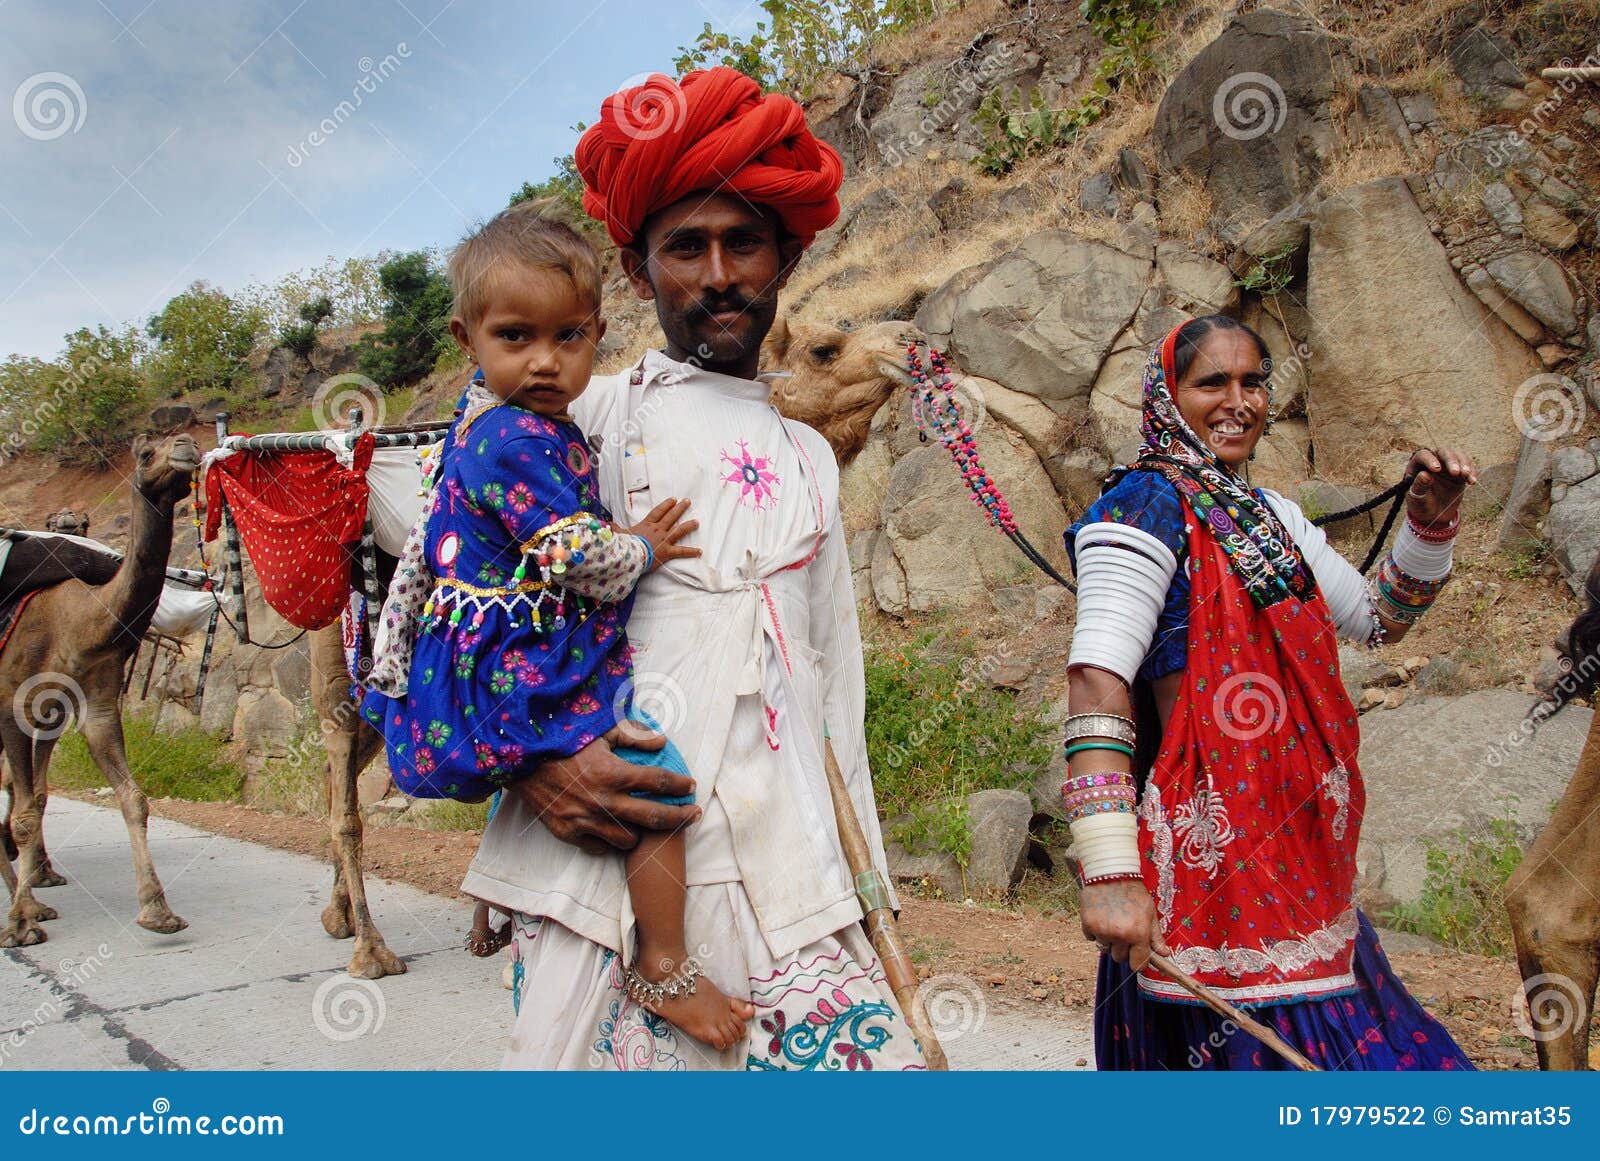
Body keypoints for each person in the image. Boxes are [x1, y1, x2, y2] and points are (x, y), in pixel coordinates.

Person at [460, 66, 924, 1070]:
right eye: (684, 247)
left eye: (743, 243)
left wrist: (866, 875)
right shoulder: (575, 416)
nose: (717, 274)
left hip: (791, 859)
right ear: (638, 273)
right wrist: (533, 770)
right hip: (610, 850)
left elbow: (830, 679)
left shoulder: (805, 455)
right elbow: (458, 611)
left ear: (784, 258)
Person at [361, 203, 751, 1048]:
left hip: (502, 656)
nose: (545, 360)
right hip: (521, 669)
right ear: (467, 339)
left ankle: (513, 904)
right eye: (516, 337)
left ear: (598, 332)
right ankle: (665, 962)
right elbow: (579, 556)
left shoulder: (498, 421)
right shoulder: (515, 440)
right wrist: (643, 547)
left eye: (569, 337)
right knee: (658, 786)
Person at [1065, 314, 1477, 1070]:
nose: (1238, 400)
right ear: (1166, 395)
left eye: (1253, 381)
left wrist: (1428, 521)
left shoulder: (1270, 517)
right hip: (1214, 867)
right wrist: (1111, 871)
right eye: (1211, 382)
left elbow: (1380, 621)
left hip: (1302, 857)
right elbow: (1097, 680)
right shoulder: (1142, 508)